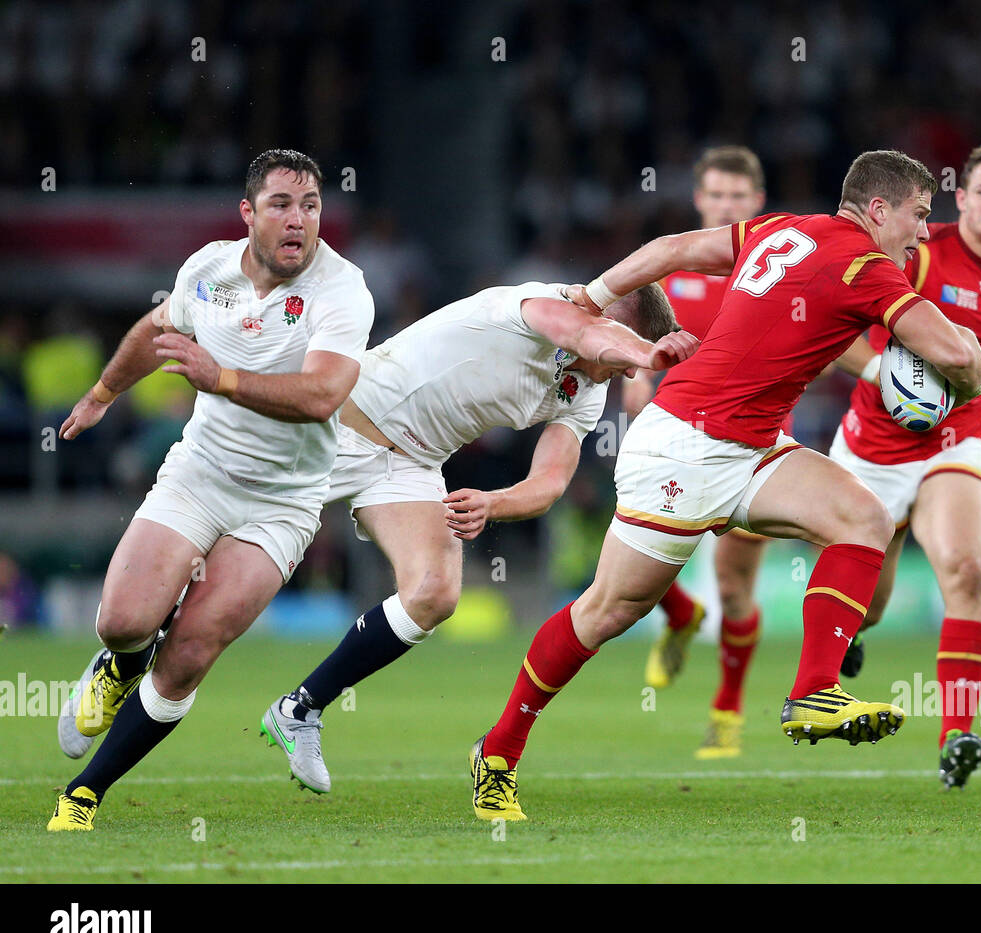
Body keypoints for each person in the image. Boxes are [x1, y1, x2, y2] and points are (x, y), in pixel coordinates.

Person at [469, 149, 981, 821]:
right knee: (607, 611)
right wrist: (969, 378)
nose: (923, 232)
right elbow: (954, 353)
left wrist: (593, 296)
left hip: (751, 443)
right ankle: (500, 750)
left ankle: (814, 691)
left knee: (863, 517)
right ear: (879, 209)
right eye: (919, 215)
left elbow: (672, 247)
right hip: (685, 446)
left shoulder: (779, 229)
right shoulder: (867, 265)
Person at [260, 280, 696, 793]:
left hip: (409, 465)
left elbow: (550, 482)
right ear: (603, 323)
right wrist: (649, 352)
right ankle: (145, 652)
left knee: (434, 593)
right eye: (627, 353)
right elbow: (572, 327)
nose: (626, 372)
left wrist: (494, 502)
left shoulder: (587, 392)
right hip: (336, 424)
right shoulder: (542, 305)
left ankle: (300, 708)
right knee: (226, 563)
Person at [48, 149, 374, 831]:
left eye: (310, 205)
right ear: (248, 214)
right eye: (282, 204)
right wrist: (106, 391)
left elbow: (321, 396)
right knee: (123, 621)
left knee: (191, 650)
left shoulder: (341, 291)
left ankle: (85, 792)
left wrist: (219, 376)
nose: (298, 220)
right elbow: (162, 327)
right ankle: (117, 666)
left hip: (283, 500)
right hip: (202, 472)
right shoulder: (211, 272)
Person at [830, 139, 981, 789]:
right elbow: (832, 325)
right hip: (873, 448)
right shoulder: (917, 255)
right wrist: (882, 370)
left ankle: (956, 732)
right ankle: (851, 632)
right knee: (866, 606)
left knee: (965, 569)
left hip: (954, 446)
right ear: (962, 197)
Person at [624, 146, 781, 759]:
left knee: (735, 587)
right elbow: (641, 345)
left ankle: (728, 713)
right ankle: (682, 614)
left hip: (754, 440)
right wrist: (638, 384)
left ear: (757, 204)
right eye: (715, 196)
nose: (725, 207)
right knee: (637, 564)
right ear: (699, 200)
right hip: (678, 438)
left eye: (737, 199)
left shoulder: (775, 272)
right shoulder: (671, 273)